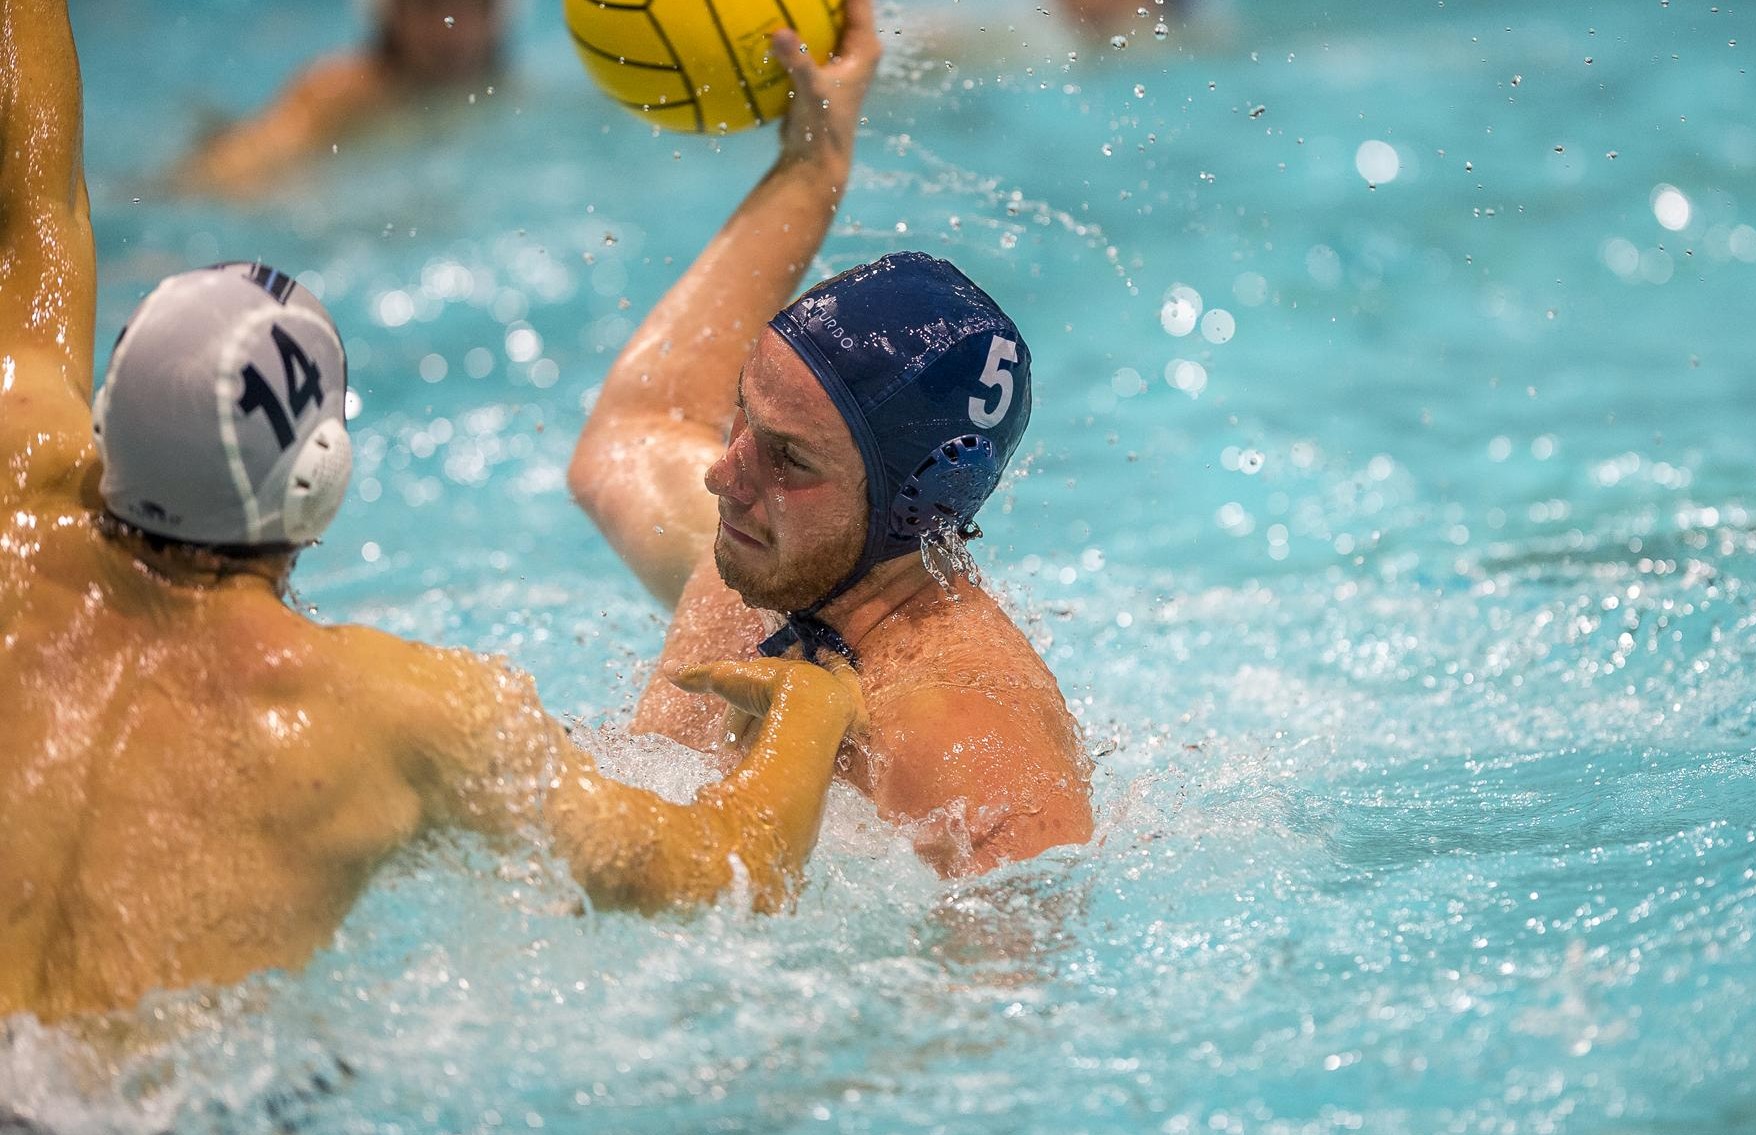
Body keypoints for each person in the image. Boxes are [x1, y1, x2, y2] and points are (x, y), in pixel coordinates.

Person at [0, 0, 860, 1023]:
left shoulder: (18, 504)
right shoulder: (405, 715)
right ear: (319, 476)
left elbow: (36, 211)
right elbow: (727, 874)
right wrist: (812, 706)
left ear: (107, 424)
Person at [567, 0, 1094, 879]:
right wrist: (814, 166)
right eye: (743, 413)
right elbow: (624, 440)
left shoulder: (967, 747)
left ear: (914, 501)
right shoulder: (759, 569)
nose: (721, 472)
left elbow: (1021, 971)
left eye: (788, 457)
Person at [175, 0, 504, 197]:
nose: (453, 29)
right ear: (395, 15)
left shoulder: (501, 92)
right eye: (429, 6)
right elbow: (235, 173)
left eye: (473, 6)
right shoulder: (343, 91)